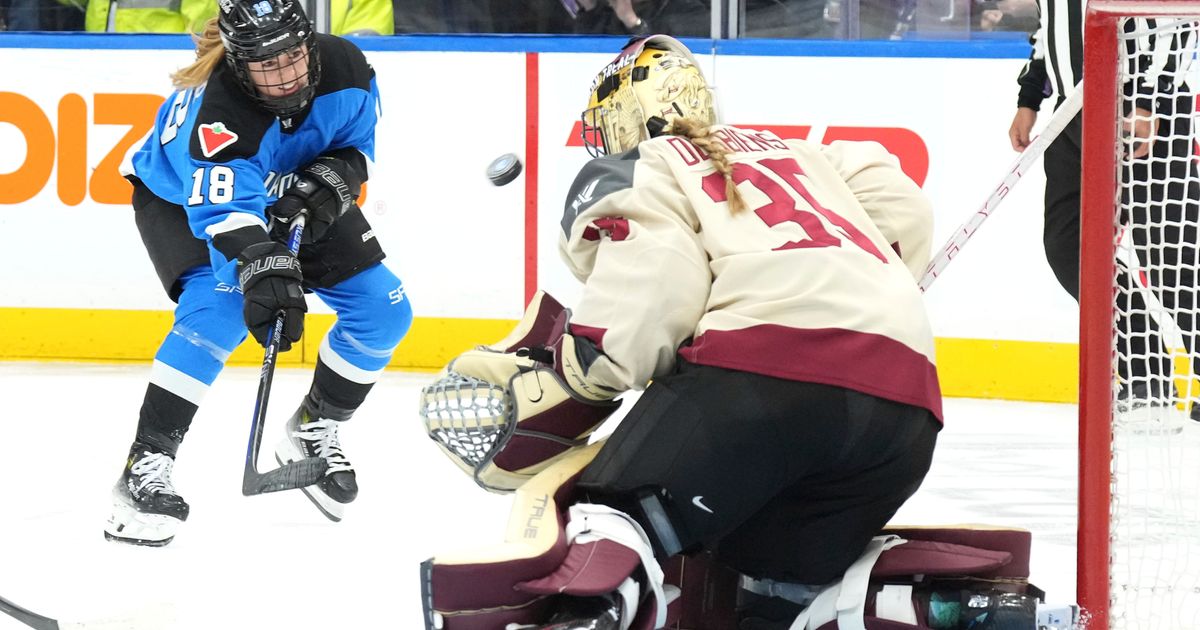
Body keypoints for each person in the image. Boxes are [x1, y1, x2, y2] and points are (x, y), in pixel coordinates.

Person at [420, 34, 941, 629]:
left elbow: (655, 281)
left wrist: (584, 371)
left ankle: (589, 614)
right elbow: (905, 208)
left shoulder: (648, 163)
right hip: (906, 409)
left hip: (764, 382)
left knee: (607, 515)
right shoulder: (807, 155)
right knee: (768, 577)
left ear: (628, 112)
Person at [104, 0, 412, 546]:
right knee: (219, 308)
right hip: (182, 197)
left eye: (295, 54)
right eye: (268, 65)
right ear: (241, 65)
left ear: (310, 42)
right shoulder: (220, 115)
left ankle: (313, 428)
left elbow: (355, 149)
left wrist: (328, 182)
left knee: (384, 309)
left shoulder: (346, 66)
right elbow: (225, 216)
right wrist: (268, 272)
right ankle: (143, 468)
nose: (288, 73)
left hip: (283, 184)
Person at [1008, 5, 1199, 416]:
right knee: (1070, 247)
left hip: (1142, 108)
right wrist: (1030, 96)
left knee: (1169, 256)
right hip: (1072, 110)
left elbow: (1175, 22)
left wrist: (1150, 101)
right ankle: (1146, 374)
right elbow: (1051, 28)